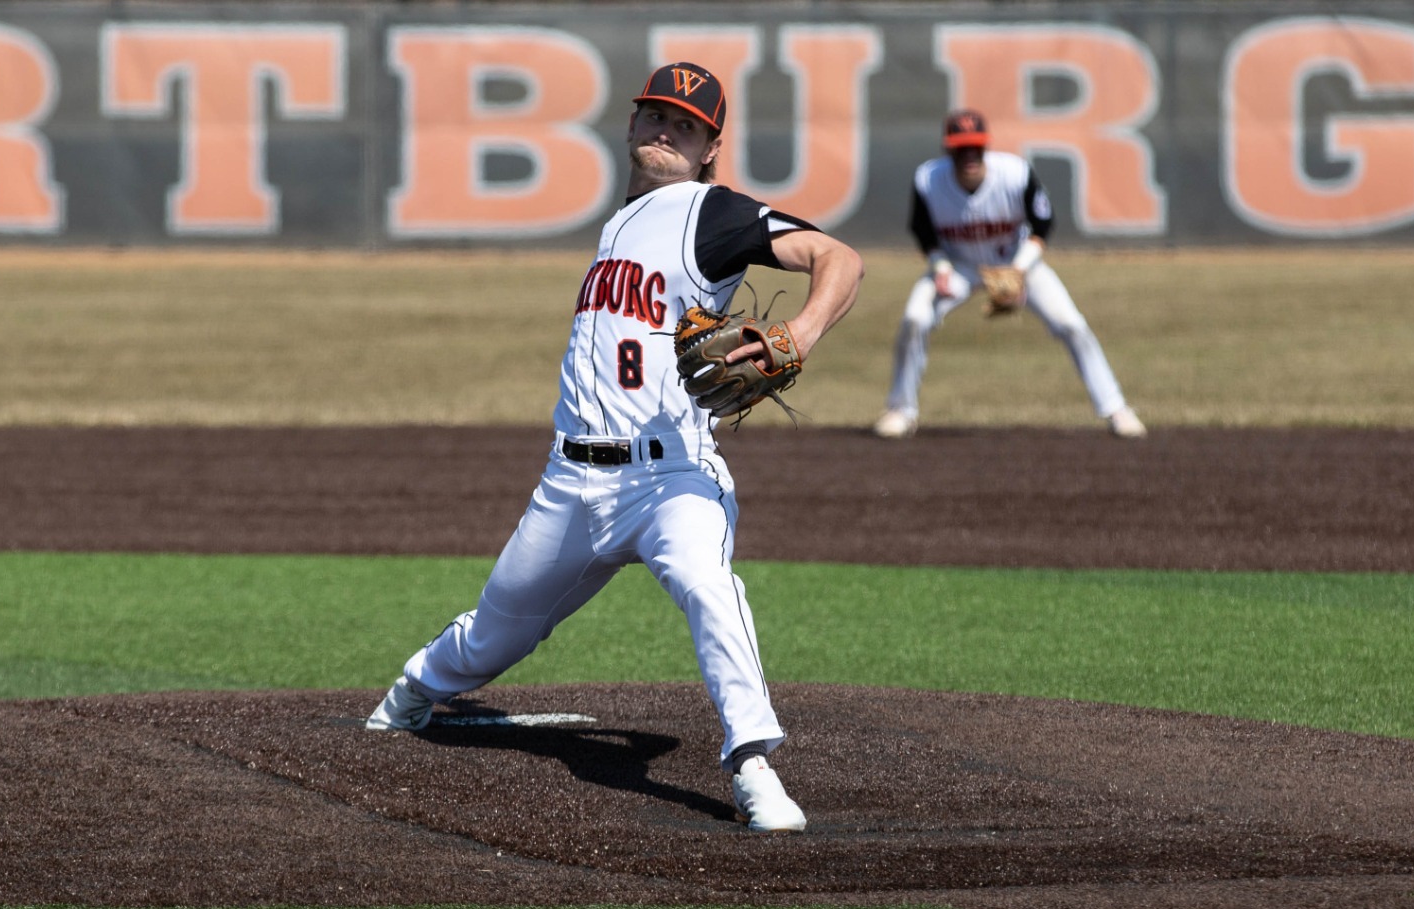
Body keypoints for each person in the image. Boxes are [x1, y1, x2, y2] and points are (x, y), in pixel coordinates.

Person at [367, 60, 864, 834]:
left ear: (709, 148)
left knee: (708, 584)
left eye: (688, 126)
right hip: (570, 481)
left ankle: (753, 763)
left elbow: (841, 259)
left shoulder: (712, 210)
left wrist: (798, 331)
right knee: (494, 634)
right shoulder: (622, 225)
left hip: (670, 479)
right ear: (633, 125)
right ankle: (407, 696)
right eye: (657, 116)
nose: (668, 130)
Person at [873, 109, 1146, 440]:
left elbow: (1043, 225)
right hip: (959, 265)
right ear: (948, 149)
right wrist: (940, 267)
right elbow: (923, 232)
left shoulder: (1014, 173)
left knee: (1071, 323)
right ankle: (901, 409)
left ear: (985, 146)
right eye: (961, 148)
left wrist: (1017, 270)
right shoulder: (928, 180)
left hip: (1016, 261)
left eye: (976, 147)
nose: (969, 155)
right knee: (915, 318)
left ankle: (1117, 408)